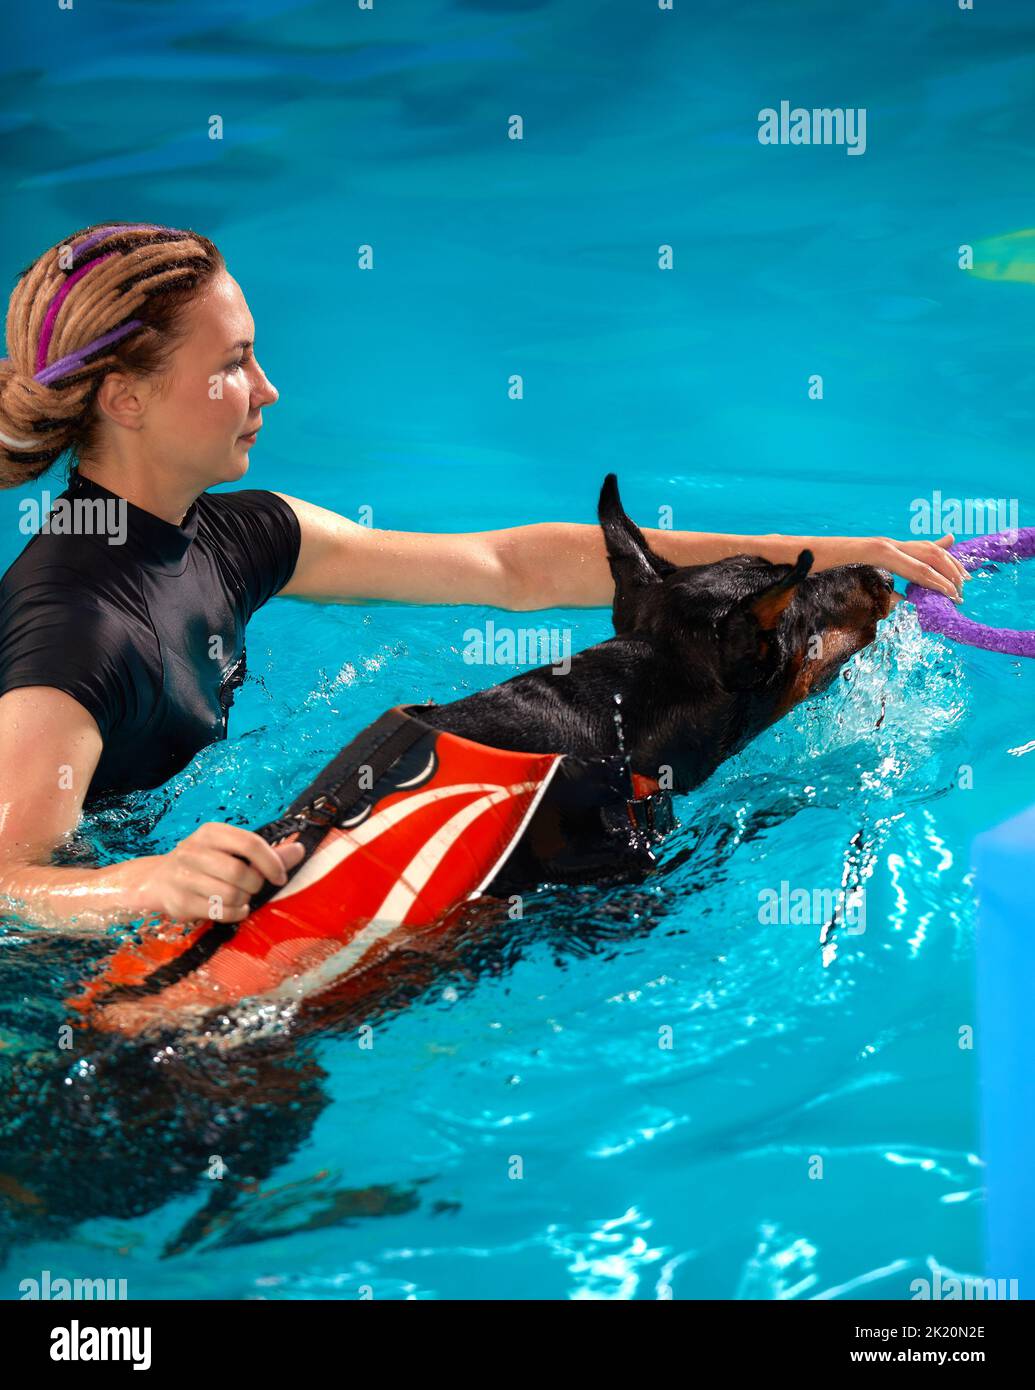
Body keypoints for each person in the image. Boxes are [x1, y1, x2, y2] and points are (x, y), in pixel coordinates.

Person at [0, 223, 968, 935]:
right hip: (50, 983)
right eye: (236, 364)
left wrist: (819, 554)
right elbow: (9, 878)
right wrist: (146, 884)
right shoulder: (73, 634)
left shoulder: (241, 533)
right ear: (126, 397)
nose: (268, 390)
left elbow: (513, 565)